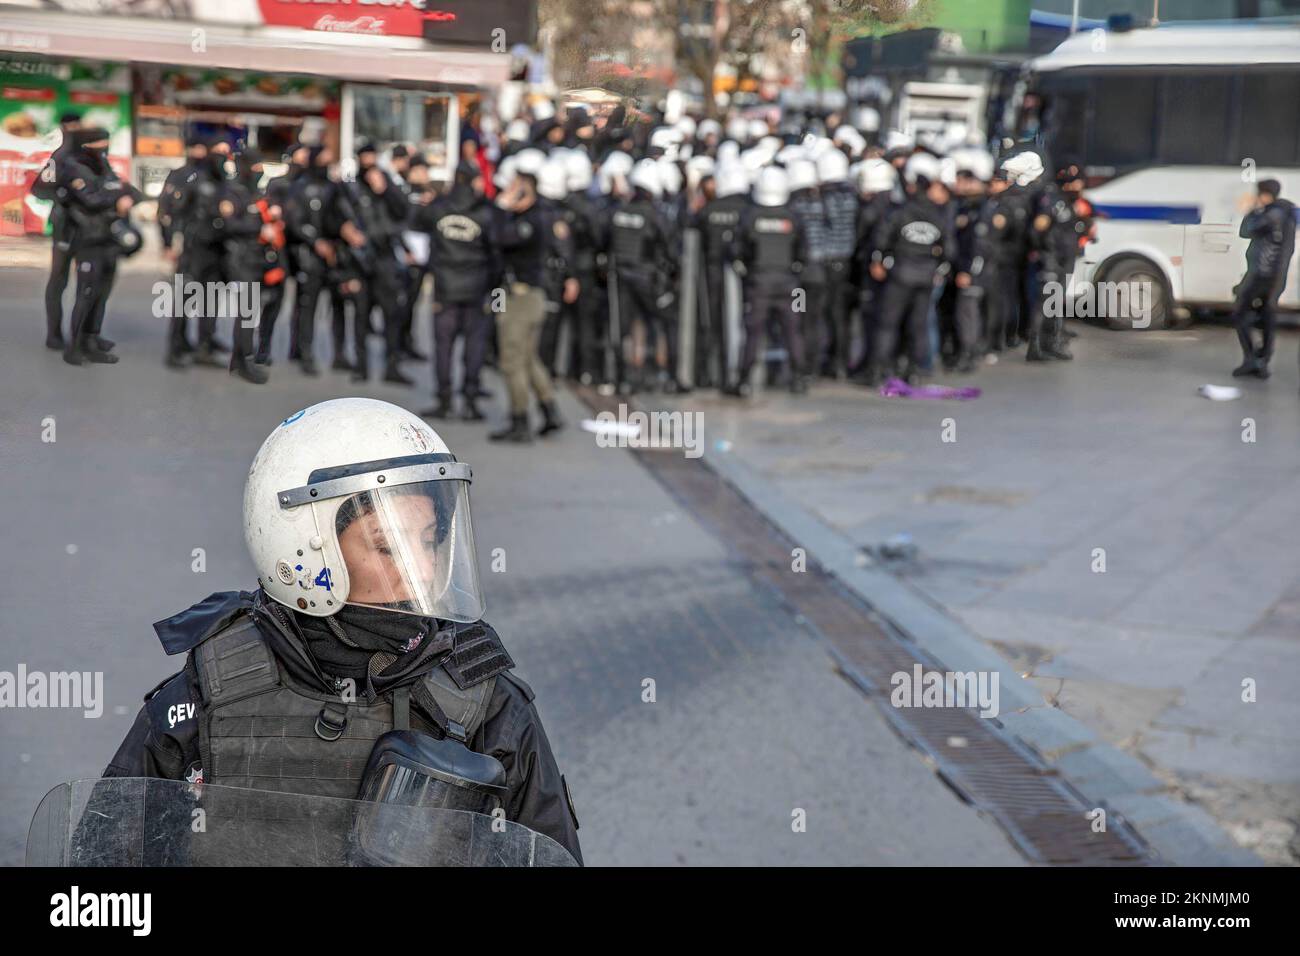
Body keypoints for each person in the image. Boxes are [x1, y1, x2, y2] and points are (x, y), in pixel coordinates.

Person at [102, 398, 582, 864]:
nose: (425, 565)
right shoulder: (214, 687)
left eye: (431, 539)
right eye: (388, 544)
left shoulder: (485, 703)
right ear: (305, 554)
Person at [490, 155, 569, 442]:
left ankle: (520, 420)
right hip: (517, 295)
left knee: (512, 361)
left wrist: (500, 208)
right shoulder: (533, 216)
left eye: (513, 186)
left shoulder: (529, 221)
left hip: (520, 298)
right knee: (529, 359)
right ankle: (550, 411)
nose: (507, 191)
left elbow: (498, 238)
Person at [417, 165, 499, 420]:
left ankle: (444, 400)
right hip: (476, 290)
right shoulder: (485, 211)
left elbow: (419, 232)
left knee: (443, 347)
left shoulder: (439, 207)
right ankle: (470, 401)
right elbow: (496, 254)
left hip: (445, 289)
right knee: (473, 348)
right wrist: (494, 292)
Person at [868, 152, 956, 385]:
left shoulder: (899, 212)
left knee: (888, 323)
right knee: (918, 326)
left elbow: (881, 240)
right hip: (925, 276)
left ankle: (879, 370)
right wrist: (940, 271)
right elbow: (949, 250)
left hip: (900, 274)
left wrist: (879, 261)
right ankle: (915, 370)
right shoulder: (938, 215)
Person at [59, 127, 144, 367]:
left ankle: (91, 339)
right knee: (86, 294)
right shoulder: (76, 167)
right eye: (101, 143)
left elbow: (128, 190)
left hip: (109, 238)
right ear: (89, 144)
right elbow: (90, 199)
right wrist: (116, 197)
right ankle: (73, 346)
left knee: (101, 293)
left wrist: (118, 194)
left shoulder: (103, 166)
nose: (105, 147)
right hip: (89, 241)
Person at [283, 145, 365, 376]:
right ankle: (303, 351)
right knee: (308, 305)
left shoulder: (334, 187)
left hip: (336, 256)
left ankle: (340, 353)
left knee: (339, 306)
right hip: (310, 256)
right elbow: (295, 221)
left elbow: (346, 214)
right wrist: (316, 242)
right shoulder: (300, 187)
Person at [729, 165, 809, 396]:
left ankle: (744, 380)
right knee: (794, 330)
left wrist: (747, 272)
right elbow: (804, 252)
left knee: (753, 332)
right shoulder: (793, 217)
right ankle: (799, 377)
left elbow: (736, 250)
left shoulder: (750, 217)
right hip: (792, 286)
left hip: (759, 284)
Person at [32, 111, 100, 352]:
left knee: (89, 282)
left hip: (88, 229)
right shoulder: (58, 157)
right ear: (63, 129)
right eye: (69, 126)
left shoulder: (90, 157)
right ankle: (54, 334)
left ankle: (84, 334)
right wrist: (62, 196)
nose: (74, 130)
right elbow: (38, 189)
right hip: (64, 227)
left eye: (77, 126)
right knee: (58, 280)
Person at [1232, 179, 1295, 380]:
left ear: (1265, 195)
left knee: (1240, 313)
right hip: (1276, 276)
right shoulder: (1286, 213)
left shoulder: (1271, 214)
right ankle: (1262, 362)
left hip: (1261, 274)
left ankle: (1251, 359)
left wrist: (1250, 210)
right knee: (1267, 316)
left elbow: (1246, 231)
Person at [158, 134, 212, 366]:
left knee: (208, 300)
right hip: (187, 246)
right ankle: (175, 347)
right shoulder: (180, 176)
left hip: (208, 247)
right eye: (196, 148)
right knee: (183, 299)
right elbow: (165, 212)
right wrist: (169, 243)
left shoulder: (210, 176)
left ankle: (203, 345)